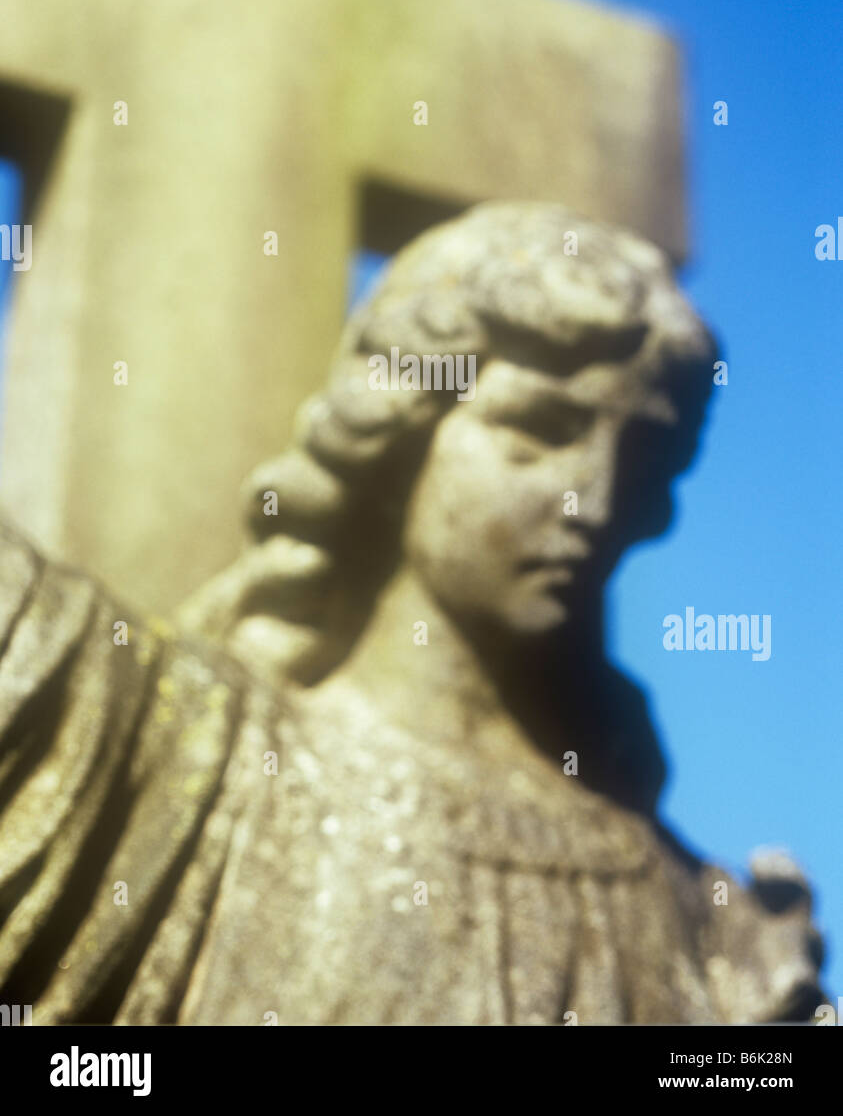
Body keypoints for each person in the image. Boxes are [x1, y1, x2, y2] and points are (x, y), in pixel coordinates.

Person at [0, 203, 824, 1024]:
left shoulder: (700, 924)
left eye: (641, 456)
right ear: (403, 426)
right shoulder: (158, 759)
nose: (594, 501)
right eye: (541, 429)